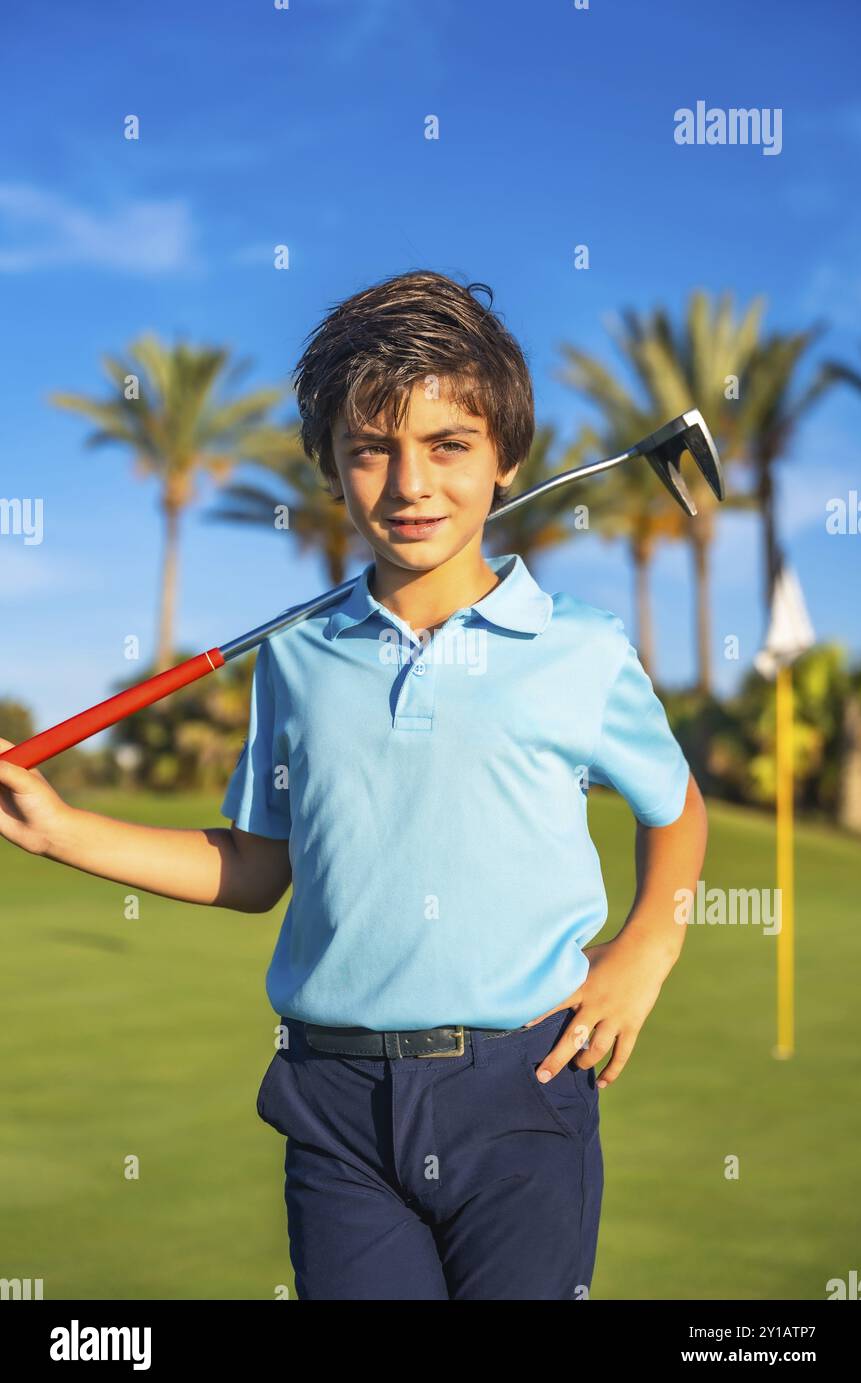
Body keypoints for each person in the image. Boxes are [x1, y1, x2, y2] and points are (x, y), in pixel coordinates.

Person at [0, 269, 708, 1301]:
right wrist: (59, 830)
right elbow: (254, 865)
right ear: (331, 469)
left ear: (505, 458)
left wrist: (647, 947)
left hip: (523, 1086)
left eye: (448, 445)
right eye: (371, 449)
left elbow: (674, 810)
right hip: (331, 1101)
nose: (409, 484)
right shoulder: (295, 658)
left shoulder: (578, 649)